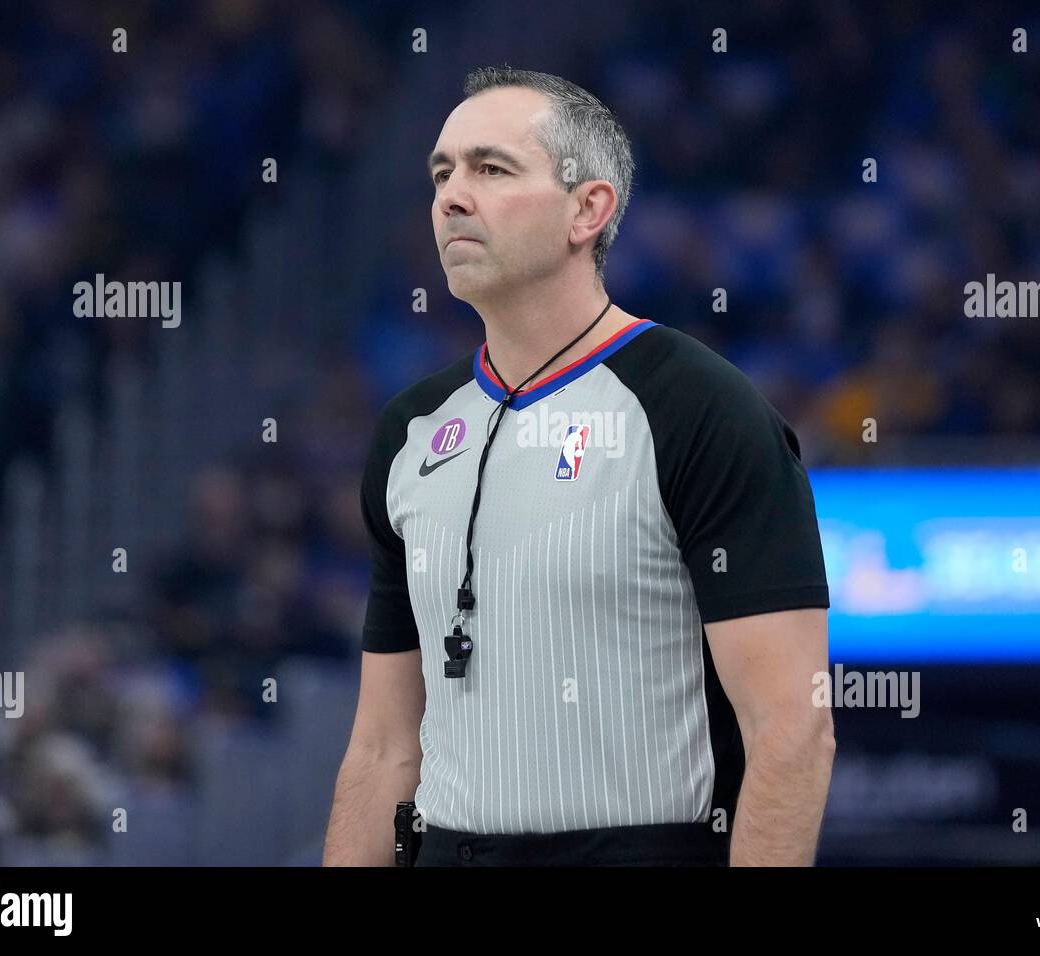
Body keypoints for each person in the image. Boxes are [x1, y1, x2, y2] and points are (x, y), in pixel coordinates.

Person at [323, 66, 833, 867]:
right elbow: (384, 747)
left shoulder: (701, 408)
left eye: (490, 169)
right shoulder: (412, 430)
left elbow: (792, 727)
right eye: (442, 172)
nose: (453, 196)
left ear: (587, 210)